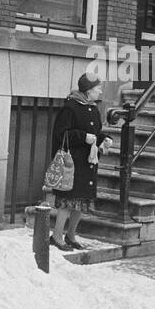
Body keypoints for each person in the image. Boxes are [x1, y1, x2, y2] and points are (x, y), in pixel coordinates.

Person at [49, 73, 112, 251]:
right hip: (73, 163)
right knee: (67, 200)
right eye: (97, 88)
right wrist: (83, 137)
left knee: (82, 201)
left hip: (88, 163)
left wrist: (104, 139)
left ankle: (70, 235)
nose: (100, 91)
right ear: (88, 90)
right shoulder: (70, 107)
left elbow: (95, 133)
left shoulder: (92, 108)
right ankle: (56, 236)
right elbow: (61, 134)